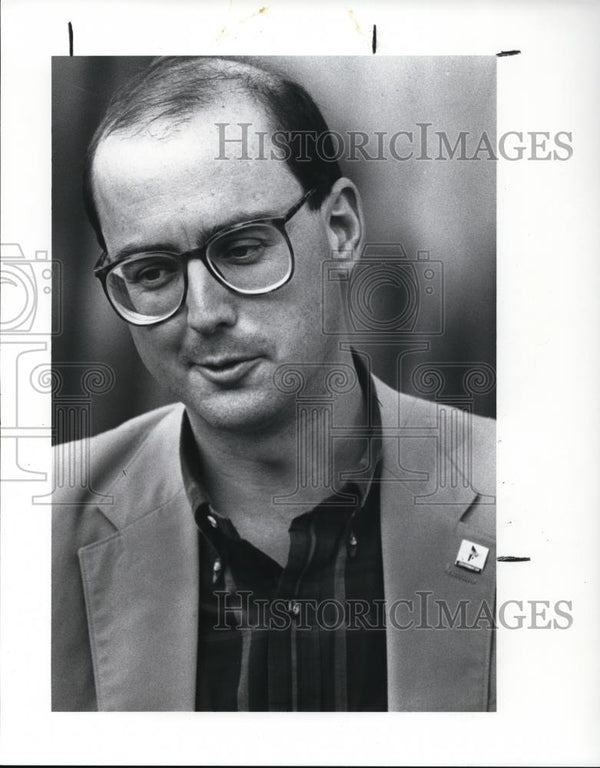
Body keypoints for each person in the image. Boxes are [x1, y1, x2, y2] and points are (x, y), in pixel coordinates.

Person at [52, 56, 496, 712]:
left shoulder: (532, 499)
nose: (203, 313)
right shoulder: (35, 530)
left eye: (242, 248)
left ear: (341, 229)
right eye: (151, 272)